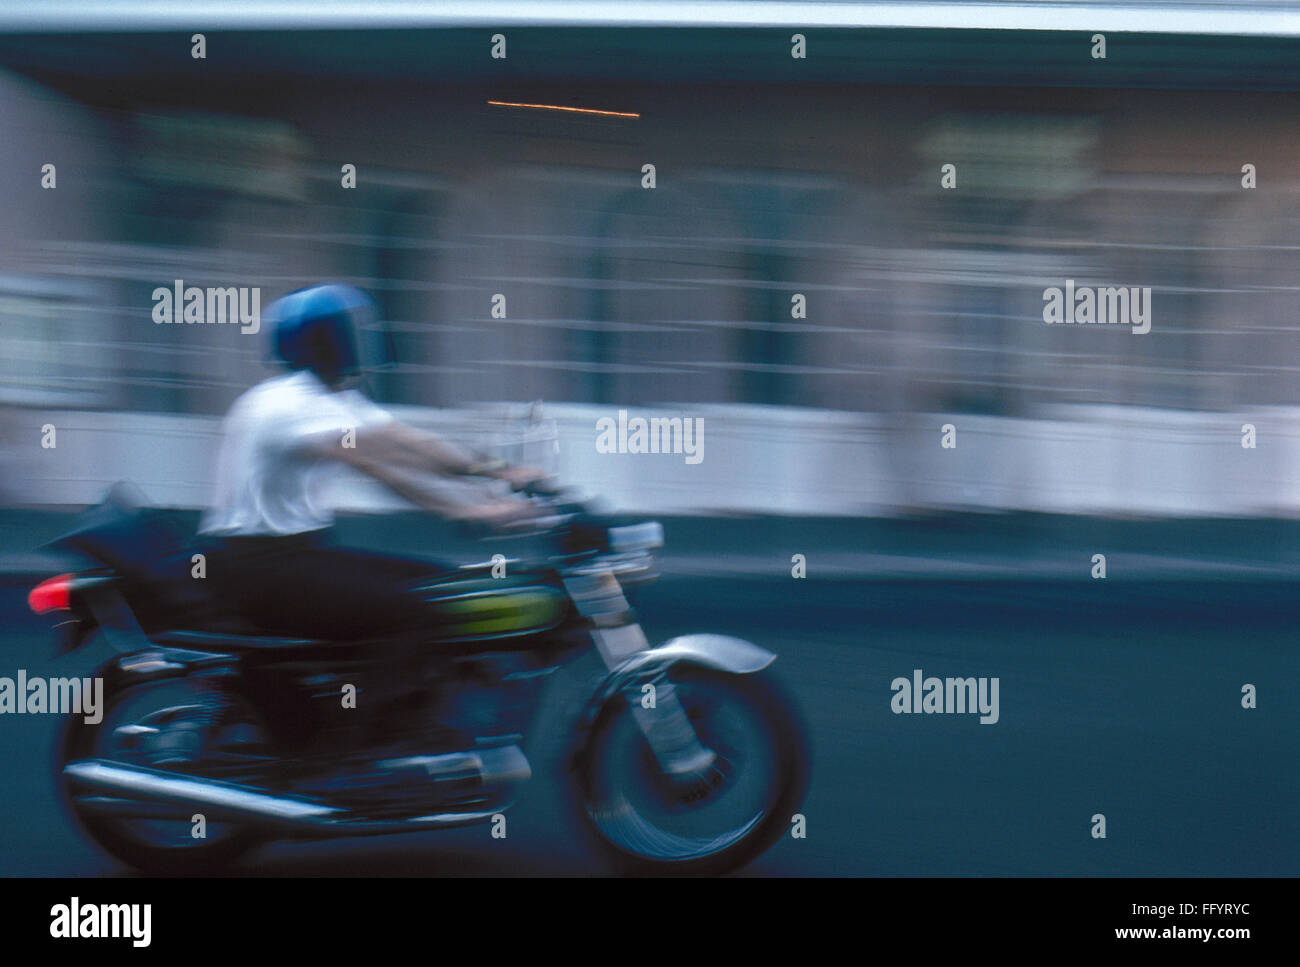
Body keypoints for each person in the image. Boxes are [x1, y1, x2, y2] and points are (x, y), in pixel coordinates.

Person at [199, 283, 547, 640]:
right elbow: (375, 463)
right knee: (414, 611)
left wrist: (503, 472)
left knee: (445, 586)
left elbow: (411, 445)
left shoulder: (332, 398)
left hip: (300, 555)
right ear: (330, 343)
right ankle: (389, 697)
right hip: (260, 572)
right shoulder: (287, 401)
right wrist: (466, 510)